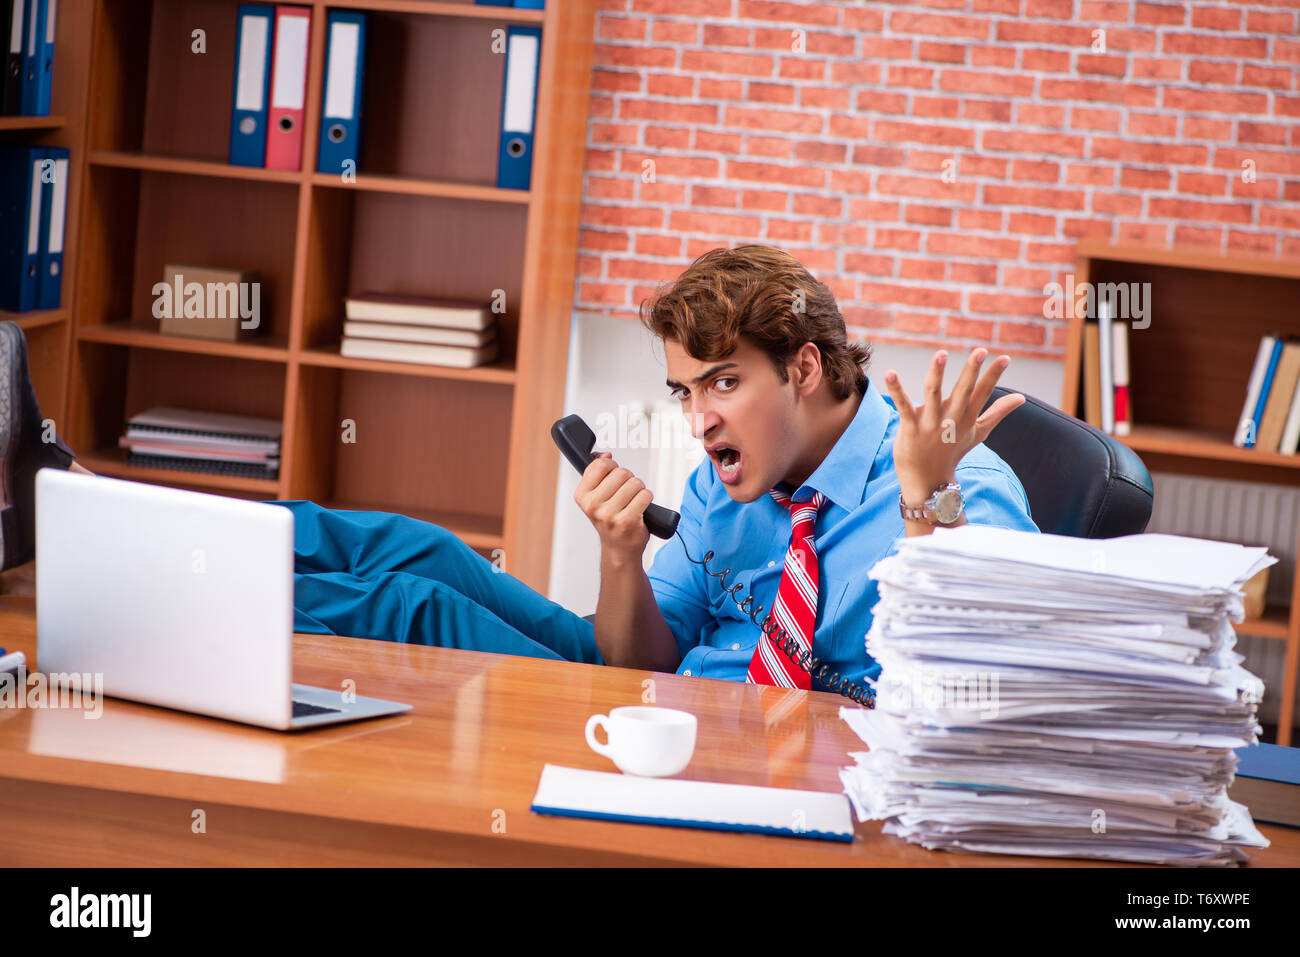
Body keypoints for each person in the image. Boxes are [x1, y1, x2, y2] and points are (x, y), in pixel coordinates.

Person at [0, 245, 1038, 694]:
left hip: (746, 738)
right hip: (675, 698)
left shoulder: (950, 481)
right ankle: (94, 513)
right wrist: (621, 553)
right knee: (419, 549)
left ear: (803, 368)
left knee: (414, 609)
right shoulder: (731, 493)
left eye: (720, 385)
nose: (698, 418)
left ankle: (129, 597)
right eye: (684, 392)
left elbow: (980, 675)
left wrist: (923, 501)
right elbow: (632, 658)